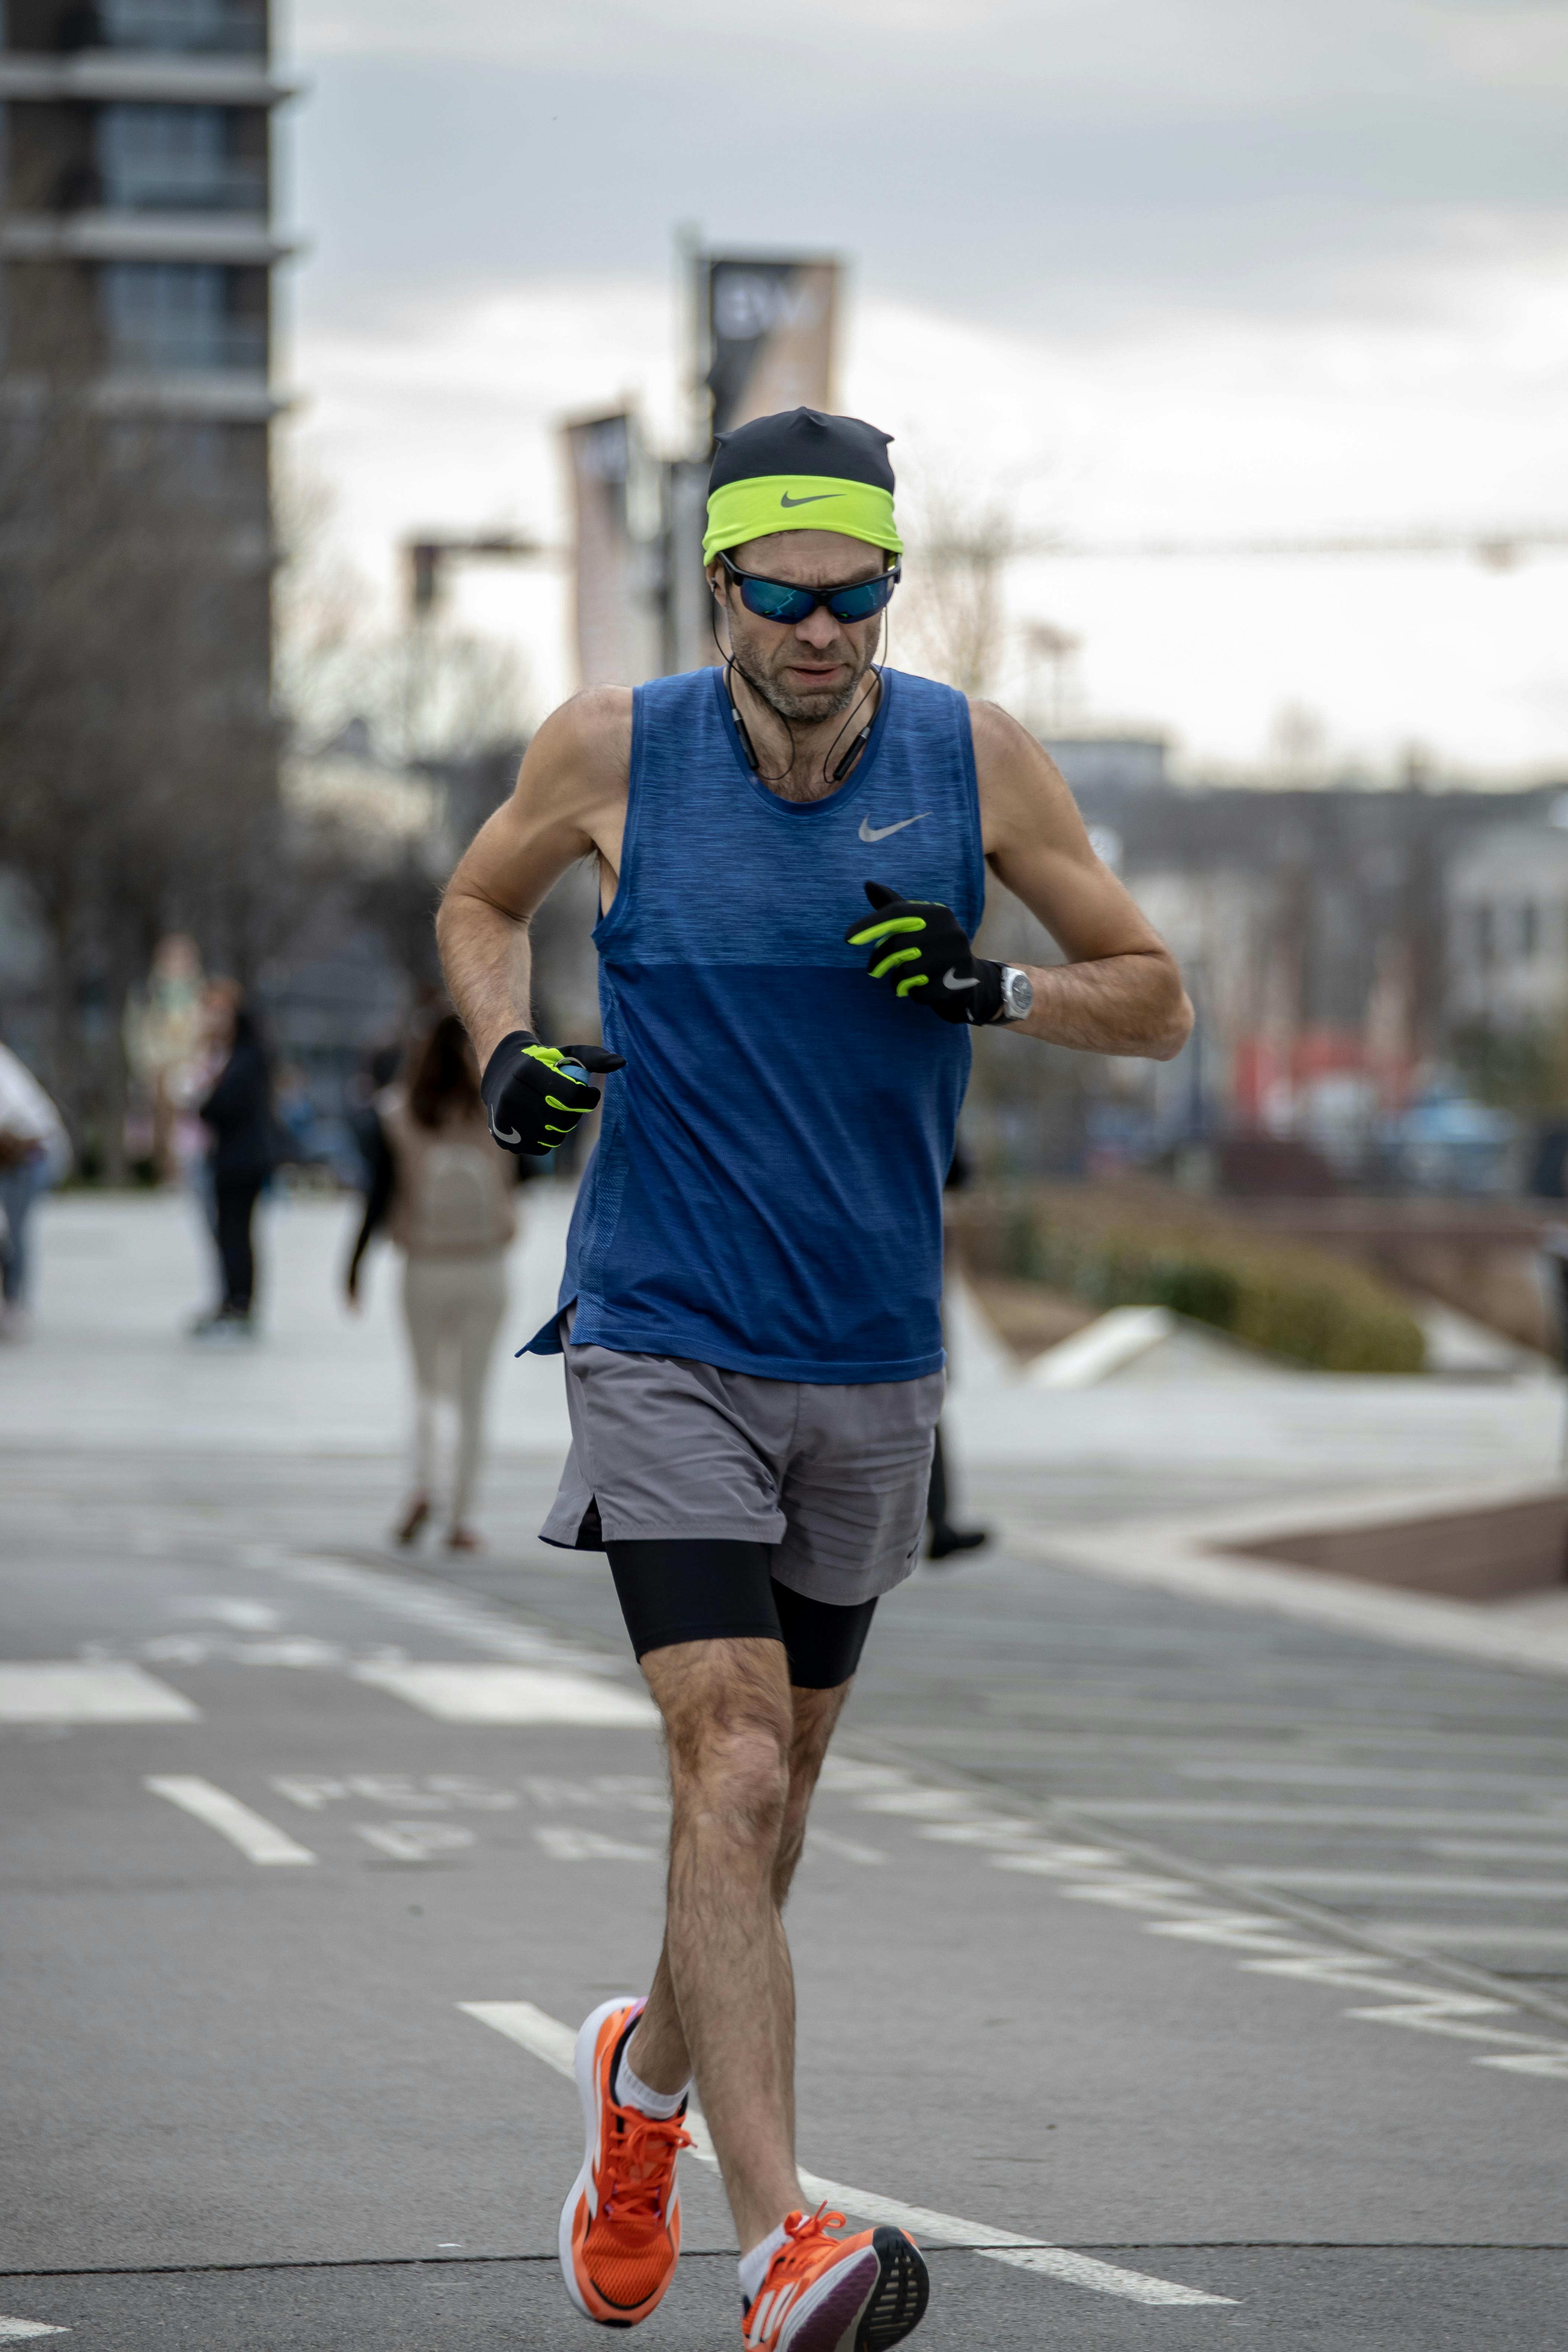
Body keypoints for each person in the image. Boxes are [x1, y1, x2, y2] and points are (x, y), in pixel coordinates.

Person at [436, 405, 1191, 2352]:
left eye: (854, 594)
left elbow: (1153, 993)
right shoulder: (613, 747)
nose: (820, 631)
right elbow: (473, 899)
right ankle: (779, 2240)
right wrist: (504, 1049)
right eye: (783, 594)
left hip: (865, 1357)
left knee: (763, 1827)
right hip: (660, 1325)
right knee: (731, 1757)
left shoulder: (972, 759)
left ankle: (639, 2087)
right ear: (720, 590)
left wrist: (988, 986)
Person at [345, 1013, 518, 1550]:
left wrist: (352, 1268)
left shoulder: (399, 1114)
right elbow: (533, 1171)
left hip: (423, 1265)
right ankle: (462, 1519)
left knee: (426, 1387)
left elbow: (376, 1197)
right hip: (486, 1265)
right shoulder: (497, 1109)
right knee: (473, 1397)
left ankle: (423, 1485)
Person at [191, 988, 277, 1340]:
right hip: (235, 1159)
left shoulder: (246, 1058)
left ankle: (239, 1304)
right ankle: (232, 1300)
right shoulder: (240, 1056)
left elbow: (223, 1106)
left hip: (241, 1161)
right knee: (230, 1234)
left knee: (235, 1234)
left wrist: (204, 1102)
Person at [0, 1040, 71, 1341]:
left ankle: (14, 1306)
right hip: (13, 1156)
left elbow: (13, 1126)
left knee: (12, 1231)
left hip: (30, 1157)